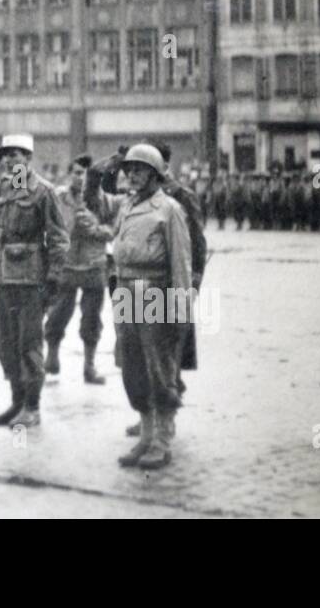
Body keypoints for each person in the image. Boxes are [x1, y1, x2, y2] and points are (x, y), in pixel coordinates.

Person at [0, 134, 69, 429]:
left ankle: (32, 407)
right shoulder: (4, 188)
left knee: (29, 345)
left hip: (31, 279)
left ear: (29, 159)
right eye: (6, 155)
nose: (10, 160)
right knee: (7, 345)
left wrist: (54, 279)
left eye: (17, 155)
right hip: (4, 276)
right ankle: (16, 403)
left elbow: (59, 238)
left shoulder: (43, 192)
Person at [110, 143, 193, 470]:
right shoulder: (127, 206)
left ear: (155, 174)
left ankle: (161, 439)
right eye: (128, 169)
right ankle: (145, 435)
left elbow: (181, 262)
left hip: (155, 293)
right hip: (127, 292)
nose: (131, 175)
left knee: (159, 367)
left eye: (139, 170)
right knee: (132, 366)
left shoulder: (169, 209)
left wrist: (182, 308)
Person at [45, 155, 113, 384]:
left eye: (84, 173)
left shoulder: (104, 200)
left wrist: (98, 230)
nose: (80, 177)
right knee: (58, 313)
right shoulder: (59, 197)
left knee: (92, 318)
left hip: (94, 264)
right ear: (69, 175)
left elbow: (116, 227)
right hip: (68, 264)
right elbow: (49, 225)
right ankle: (52, 357)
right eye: (76, 172)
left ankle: (89, 366)